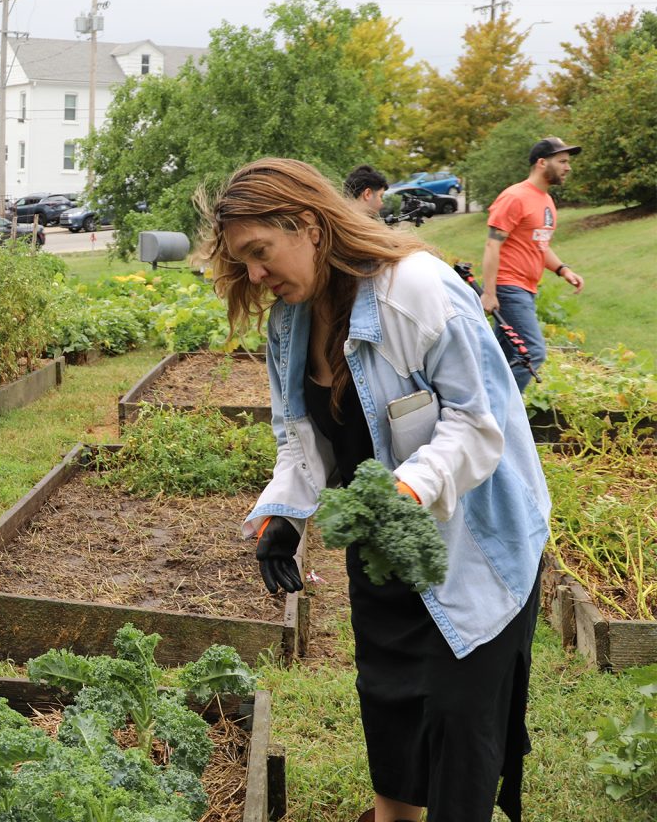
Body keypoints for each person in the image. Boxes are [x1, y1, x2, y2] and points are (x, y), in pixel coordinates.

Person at [200, 158, 549, 822]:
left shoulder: (416, 291)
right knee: (390, 706)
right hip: (382, 541)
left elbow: (479, 424)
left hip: (473, 539)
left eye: (259, 252)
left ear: (306, 224)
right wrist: (283, 514)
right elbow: (300, 440)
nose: (254, 275)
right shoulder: (290, 323)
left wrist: (407, 492)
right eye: (242, 261)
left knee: (456, 722)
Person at [480, 137, 586, 391]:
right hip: (509, 287)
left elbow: (539, 244)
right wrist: (490, 292)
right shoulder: (515, 197)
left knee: (501, 358)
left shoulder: (545, 200)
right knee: (532, 352)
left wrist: (563, 269)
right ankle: (500, 415)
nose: (567, 167)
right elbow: (492, 244)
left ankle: (482, 411)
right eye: (562, 161)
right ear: (541, 163)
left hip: (526, 289)